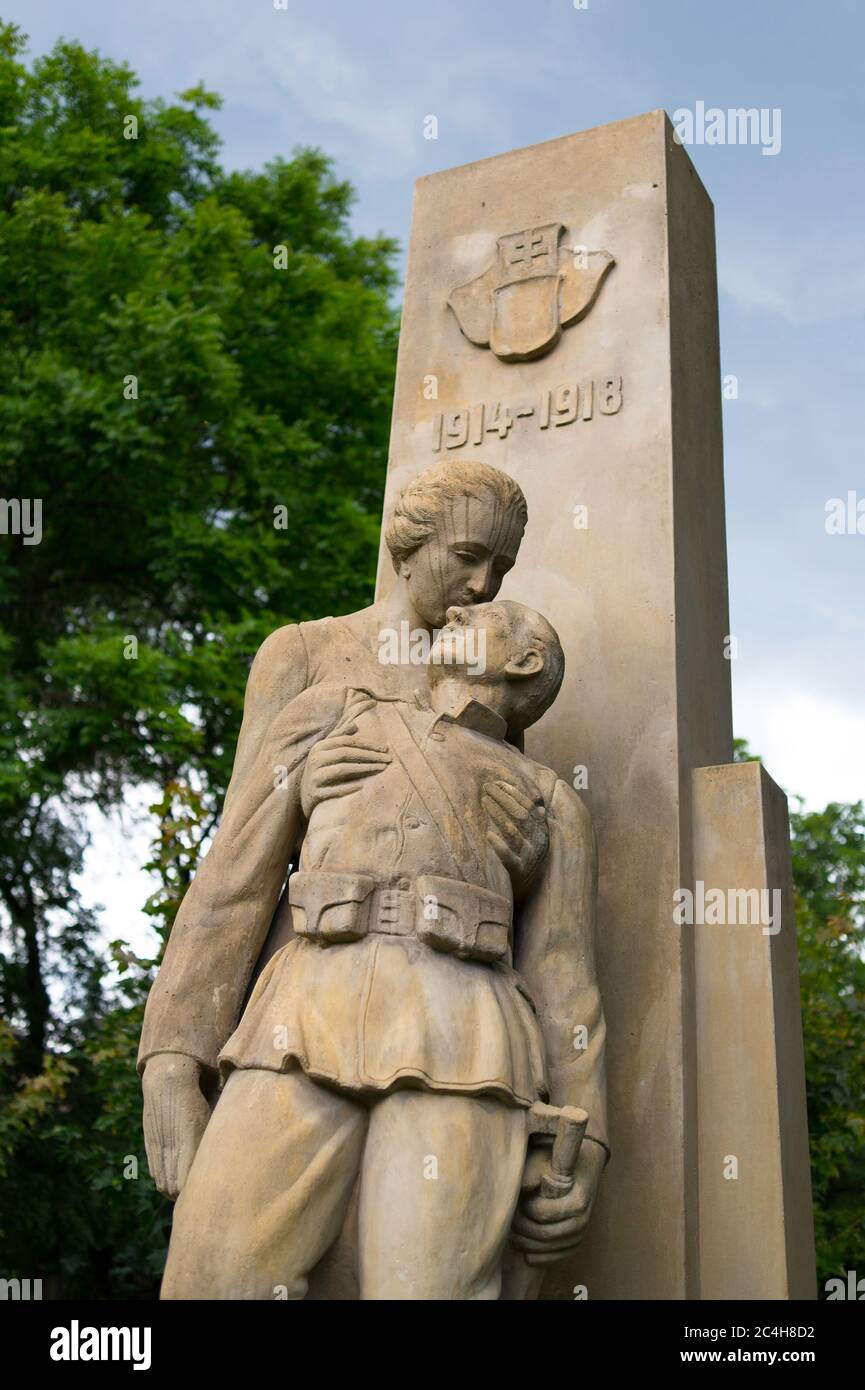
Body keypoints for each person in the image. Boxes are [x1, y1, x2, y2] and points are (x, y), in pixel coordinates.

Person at [154, 599, 607, 1300]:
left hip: (469, 1043)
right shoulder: (329, 716)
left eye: (485, 615)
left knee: (428, 1289)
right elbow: (231, 884)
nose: (457, 606)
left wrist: (587, 1155)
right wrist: (172, 1059)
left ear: (522, 662)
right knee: (213, 1272)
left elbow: (564, 982)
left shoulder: (548, 801)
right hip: (298, 1017)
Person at [140, 462, 547, 1196]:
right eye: (465, 558)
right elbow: (239, 864)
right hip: (298, 1011)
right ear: (406, 545)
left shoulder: (487, 686)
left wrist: (521, 859)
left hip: (448, 1027)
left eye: (501, 567)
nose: (484, 585)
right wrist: (173, 1055)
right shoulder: (303, 654)